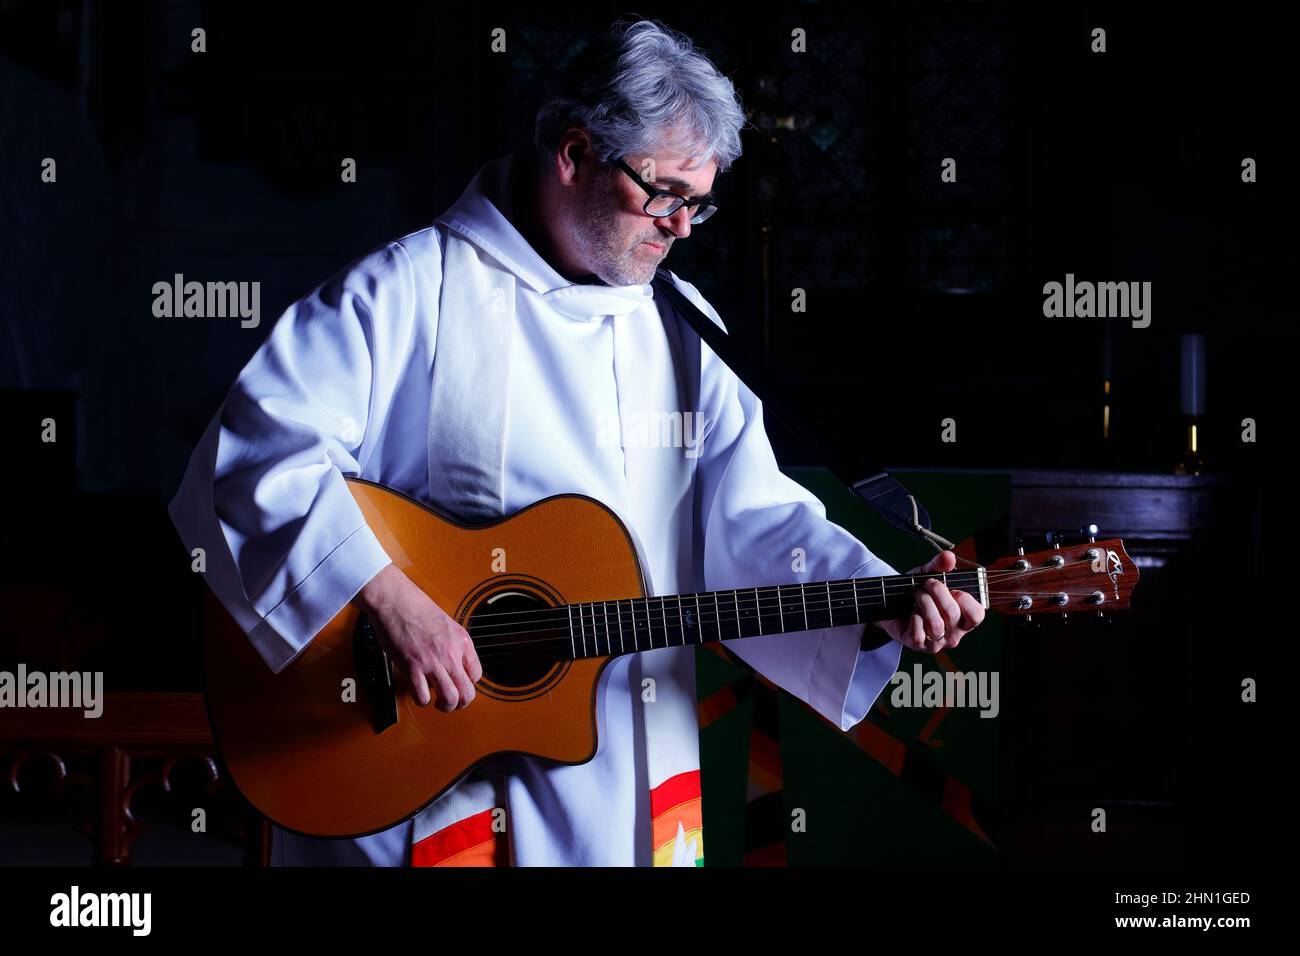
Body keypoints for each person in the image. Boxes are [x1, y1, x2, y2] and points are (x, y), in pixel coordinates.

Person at [168, 17, 985, 867]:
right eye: (665, 192)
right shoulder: (411, 289)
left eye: (700, 201)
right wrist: (391, 599)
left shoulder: (686, 332)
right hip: (422, 749)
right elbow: (255, 454)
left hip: (630, 760)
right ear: (575, 152)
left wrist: (874, 599)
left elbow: (752, 523)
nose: (683, 227)